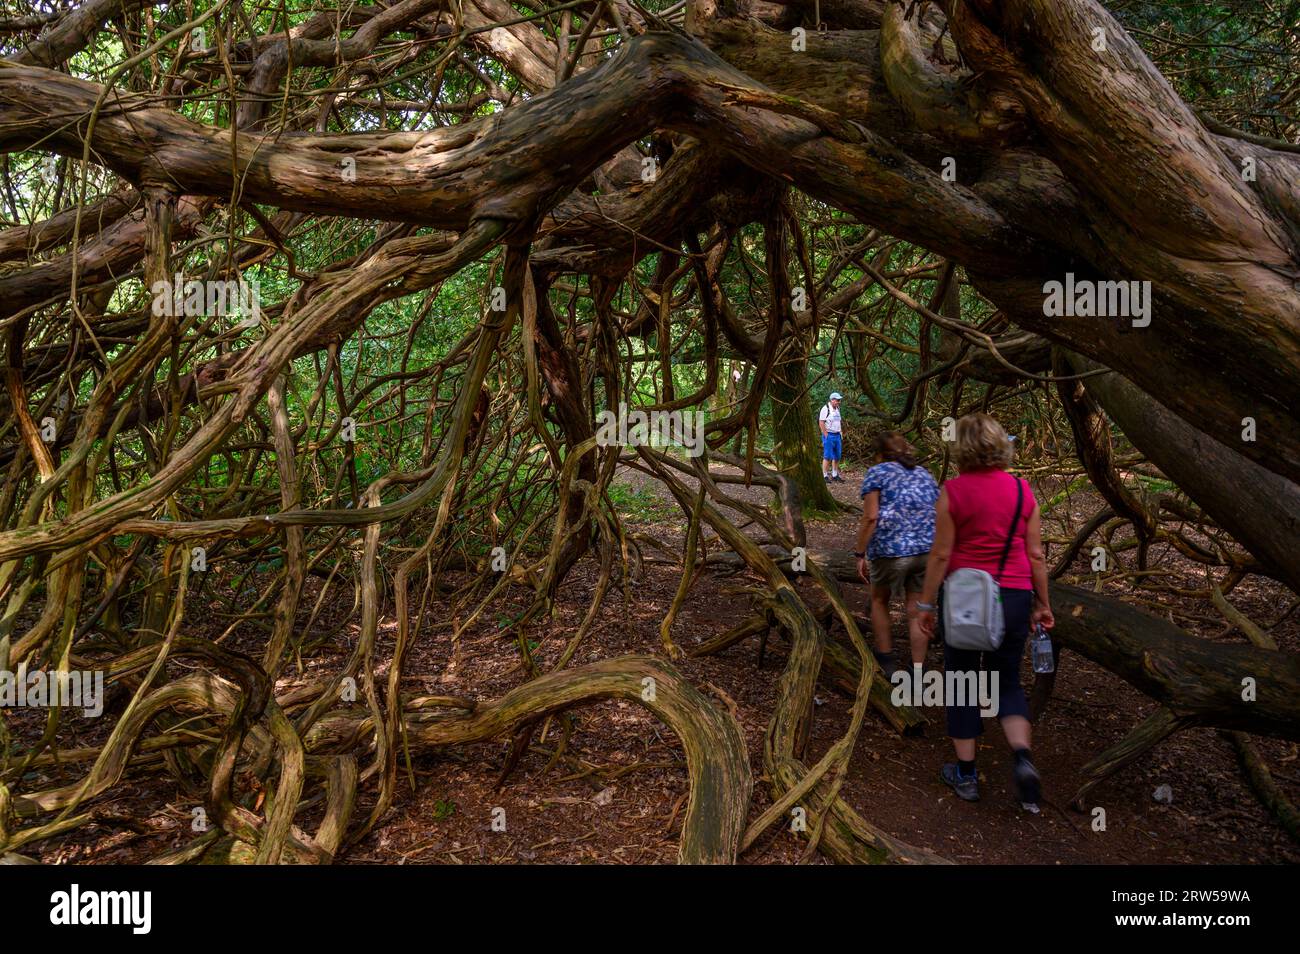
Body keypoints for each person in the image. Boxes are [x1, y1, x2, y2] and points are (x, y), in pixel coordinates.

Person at [914, 413, 1055, 807]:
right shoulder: (1023, 491)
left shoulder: (953, 493)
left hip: (964, 600)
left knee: (962, 681)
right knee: (1006, 680)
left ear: (962, 450)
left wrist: (926, 604)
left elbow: (940, 555)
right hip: (1012, 597)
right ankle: (1023, 758)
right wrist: (1042, 603)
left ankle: (966, 775)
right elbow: (1036, 555)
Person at [853, 431, 939, 678]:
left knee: (880, 600)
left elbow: (870, 517)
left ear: (880, 454)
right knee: (916, 609)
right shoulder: (924, 474)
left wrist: (860, 553)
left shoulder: (877, 473)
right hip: (925, 550)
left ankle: (886, 661)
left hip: (890, 551)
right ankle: (918, 672)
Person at [818, 392, 844, 482]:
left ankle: (834, 474)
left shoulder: (837, 408)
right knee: (827, 456)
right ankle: (824, 476)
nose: (839, 402)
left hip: (837, 435)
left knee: (837, 455)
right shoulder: (825, 408)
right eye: (837, 400)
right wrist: (826, 435)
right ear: (832, 400)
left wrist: (841, 432)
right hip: (829, 435)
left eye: (839, 400)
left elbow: (838, 421)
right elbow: (821, 422)